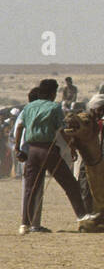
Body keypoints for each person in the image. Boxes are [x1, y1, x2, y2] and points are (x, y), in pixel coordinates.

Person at [18, 81, 92, 233]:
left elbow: (20, 126)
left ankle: (24, 224)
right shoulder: (54, 107)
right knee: (70, 183)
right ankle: (82, 216)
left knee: (30, 189)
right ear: (52, 92)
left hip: (32, 151)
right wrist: (71, 147)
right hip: (48, 150)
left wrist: (17, 149)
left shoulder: (29, 107)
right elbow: (62, 130)